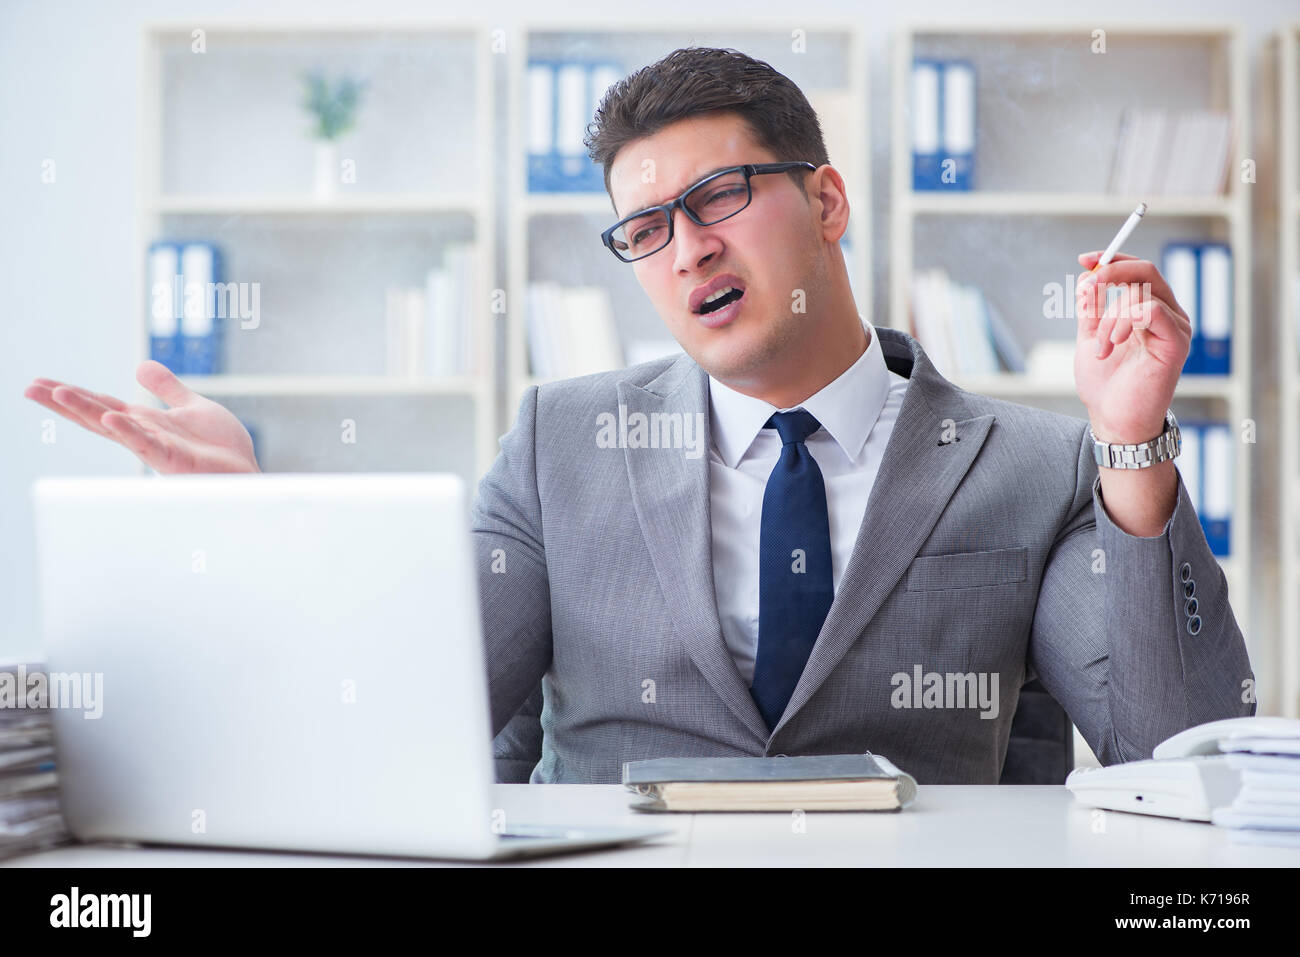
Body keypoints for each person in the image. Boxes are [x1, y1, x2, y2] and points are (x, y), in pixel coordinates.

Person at [25, 47, 1254, 785]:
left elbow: (1177, 748)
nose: (686, 249)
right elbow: (403, 714)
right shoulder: (561, 443)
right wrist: (263, 525)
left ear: (825, 200)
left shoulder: (1031, 462)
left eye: (719, 195)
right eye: (645, 229)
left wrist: (1133, 449)